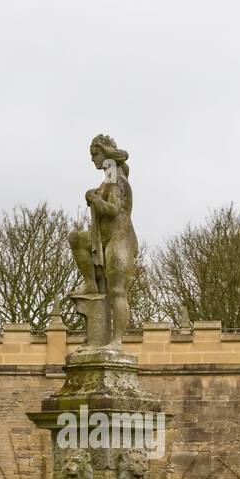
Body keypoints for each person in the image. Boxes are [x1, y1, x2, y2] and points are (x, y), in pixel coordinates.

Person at [68, 133, 138, 347]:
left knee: (117, 291)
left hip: (120, 240)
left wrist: (94, 198)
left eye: (95, 154)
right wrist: (95, 193)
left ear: (106, 154)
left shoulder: (117, 179)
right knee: (77, 239)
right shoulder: (108, 179)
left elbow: (113, 210)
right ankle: (91, 284)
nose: (93, 159)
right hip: (103, 239)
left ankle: (116, 341)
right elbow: (103, 196)